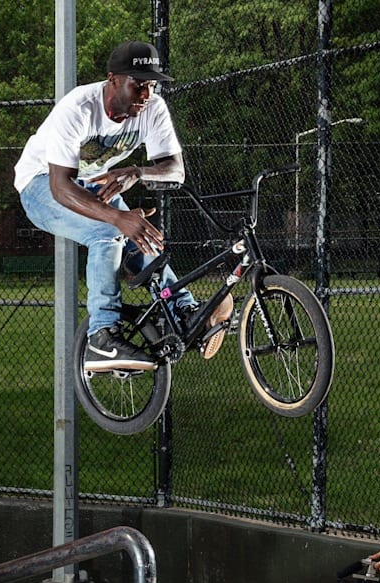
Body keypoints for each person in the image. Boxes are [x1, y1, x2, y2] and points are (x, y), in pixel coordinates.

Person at [13, 39, 233, 372]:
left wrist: (138, 171)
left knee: (144, 239)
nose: (146, 95)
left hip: (93, 185)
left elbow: (176, 169)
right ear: (113, 80)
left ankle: (183, 312)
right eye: (138, 85)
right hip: (40, 185)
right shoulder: (79, 108)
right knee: (108, 230)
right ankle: (101, 337)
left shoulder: (153, 108)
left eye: (152, 85)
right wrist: (118, 217)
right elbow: (60, 187)